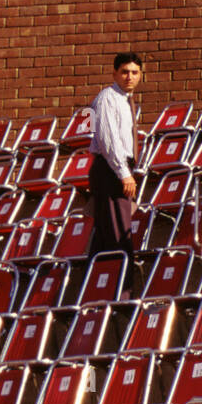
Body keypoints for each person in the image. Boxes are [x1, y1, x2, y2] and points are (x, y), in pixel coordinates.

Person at [87, 52, 143, 294]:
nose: (129, 76)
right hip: (110, 171)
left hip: (118, 169)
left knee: (104, 239)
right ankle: (123, 294)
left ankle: (96, 292)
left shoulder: (127, 102)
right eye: (124, 71)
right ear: (114, 74)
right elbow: (109, 141)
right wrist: (124, 173)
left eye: (134, 72)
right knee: (120, 235)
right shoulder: (108, 98)